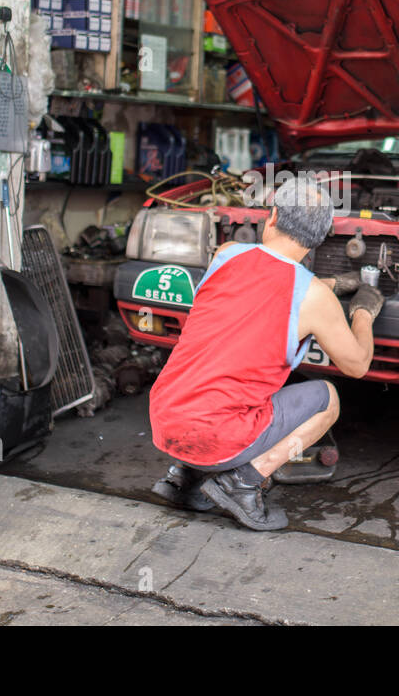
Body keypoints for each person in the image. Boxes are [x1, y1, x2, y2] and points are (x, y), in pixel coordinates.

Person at [148, 176, 383, 531]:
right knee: (328, 398)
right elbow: (357, 365)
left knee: (237, 364)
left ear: (271, 218)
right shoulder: (314, 299)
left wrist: (330, 285)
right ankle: (244, 482)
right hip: (218, 441)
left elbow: (260, 287)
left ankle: (183, 477)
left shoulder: (225, 255)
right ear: (320, 238)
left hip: (165, 422)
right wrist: (363, 312)